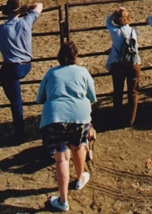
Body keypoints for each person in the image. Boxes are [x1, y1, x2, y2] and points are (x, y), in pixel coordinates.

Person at [36, 41, 96, 212]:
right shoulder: (83, 72)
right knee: (78, 147)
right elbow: (92, 96)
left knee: (61, 158)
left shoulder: (51, 73)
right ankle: (79, 178)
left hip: (54, 117)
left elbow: (40, 98)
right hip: (79, 116)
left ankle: (63, 200)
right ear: (76, 56)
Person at [0, 0, 43, 144]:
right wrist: (27, 9)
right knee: (6, 80)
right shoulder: (27, 21)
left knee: (14, 99)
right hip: (26, 64)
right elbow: (39, 4)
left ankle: (19, 134)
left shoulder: (1, 29)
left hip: (11, 67)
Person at [105, 6, 141, 127]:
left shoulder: (115, 31)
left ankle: (117, 117)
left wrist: (114, 13)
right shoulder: (134, 31)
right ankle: (131, 119)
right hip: (134, 63)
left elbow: (107, 21)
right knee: (133, 92)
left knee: (118, 91)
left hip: (119, 64)